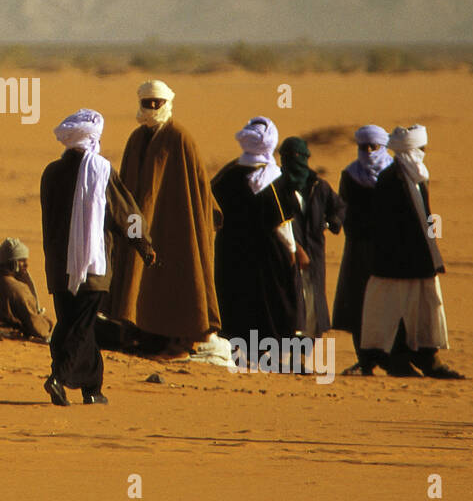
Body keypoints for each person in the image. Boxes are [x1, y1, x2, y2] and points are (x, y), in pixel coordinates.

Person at [40, 109, 155, 405]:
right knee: (77, 327)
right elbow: (125, 213)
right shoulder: (101, 171)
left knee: (77, 324)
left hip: (58, 267)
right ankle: (58, 377)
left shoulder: (51, 172)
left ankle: (92, 388)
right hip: (92, 267)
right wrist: (144, 244)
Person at [105, 80, 226, 362]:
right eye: (147, 103)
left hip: (176, 227)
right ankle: (146, 336)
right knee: (140, 279)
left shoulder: (180, 137)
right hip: (141, 226)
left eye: (157, 103)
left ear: (167, 103)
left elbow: (196, 187)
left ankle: (179, 341)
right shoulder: (137, 138)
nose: (152, 108)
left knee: (179, 279)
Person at [359, 125, 463, 379]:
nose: (423, 154)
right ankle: (392, 359)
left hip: (419, 262)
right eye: (421, 149)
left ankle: (428, 358)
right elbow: (385, 226)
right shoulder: (390, 180)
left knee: (426, 309)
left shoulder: (416, 177)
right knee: (390, 312)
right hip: (395, 264)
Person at [210, 117, 297, 359]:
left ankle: (237, 349)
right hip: (267, 253)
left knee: (235, 297)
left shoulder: (228, 173)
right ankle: (271, 352)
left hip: (230, 249)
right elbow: (283, 224)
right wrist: (291, 251)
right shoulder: (273, 179)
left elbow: (210, 206)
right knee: (271, 300)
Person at [333, 125, 394, 375]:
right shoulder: (350, 174)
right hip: (358, 250)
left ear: (384, 146)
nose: (368, 151)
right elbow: (343, 211)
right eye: (363, 147)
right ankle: (365, 359)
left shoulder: (394, 173)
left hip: (389, 250)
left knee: (389, 304)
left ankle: (391, 358)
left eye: (374, 147)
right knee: (359, 303)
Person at [274, 135, 345, 340]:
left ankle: (304, 353)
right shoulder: (277, 186)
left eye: (297, 156)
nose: (292, 161)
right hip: (288, 257)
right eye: (287, 156)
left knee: (313, 304)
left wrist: (333, 221)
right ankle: (292, 355)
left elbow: (339, 207)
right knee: (292, 303)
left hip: (314, 255)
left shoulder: (318, 186)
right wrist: (293, 247)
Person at [0, 238, 54, 341]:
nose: (26, 265)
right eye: (22, 261)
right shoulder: (17, 289)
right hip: (5, 335)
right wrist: (48, 323)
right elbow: (37, 328)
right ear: (12, 263)